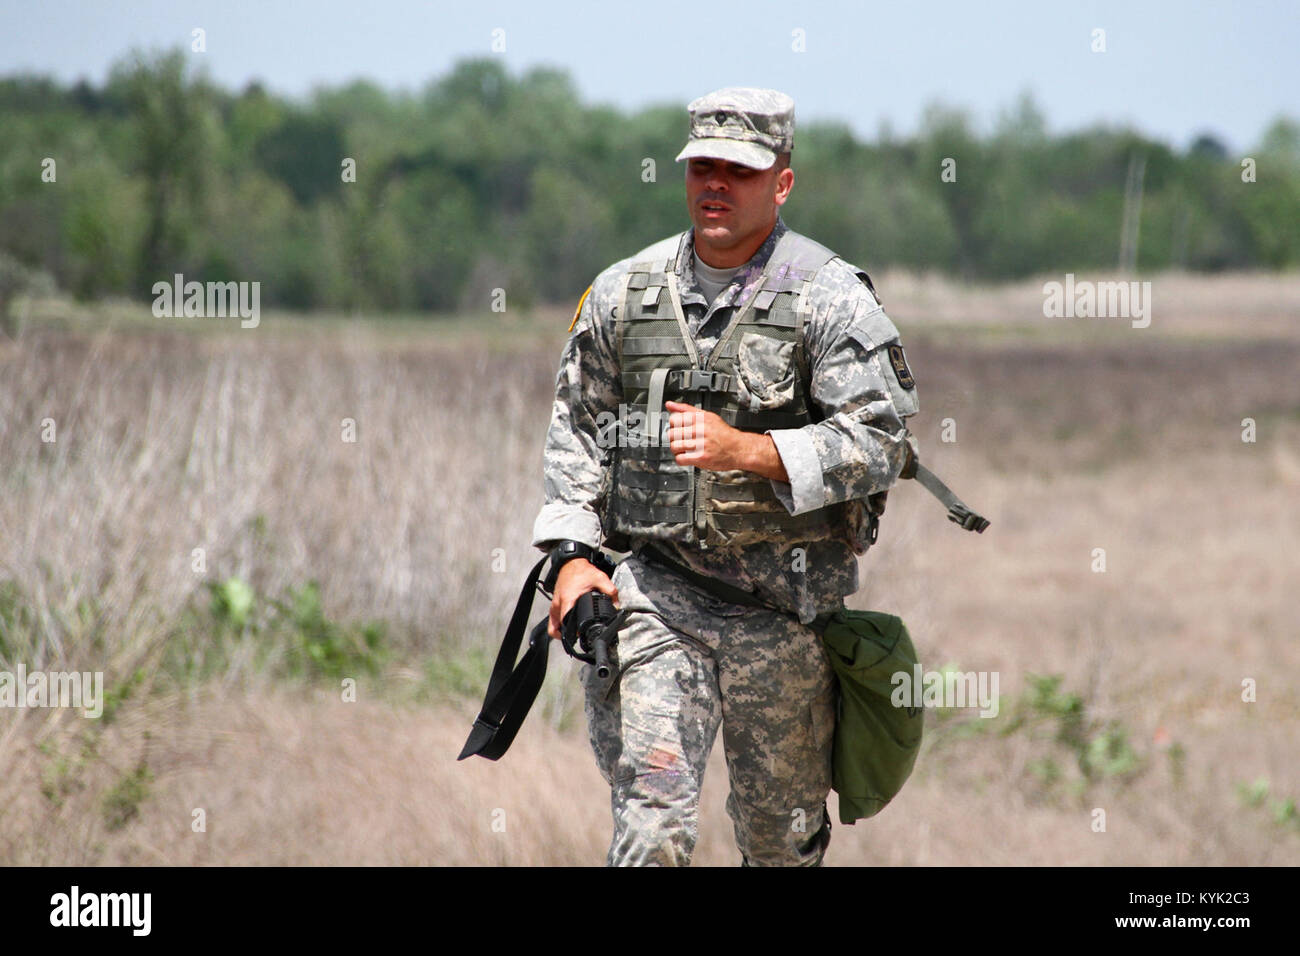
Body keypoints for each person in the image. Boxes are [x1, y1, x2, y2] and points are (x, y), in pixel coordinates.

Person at [530, 87, 920, 866]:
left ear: (782, 182)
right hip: (656, 600)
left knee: (781, 847)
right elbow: (576, 432)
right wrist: (572, 559)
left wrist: (750, 452)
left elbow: (881, 440)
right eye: (702, 166)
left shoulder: (830, 297)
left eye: (739, 170)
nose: (716, 184)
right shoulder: (622, 295)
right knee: (652, 825)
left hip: (783, 615)